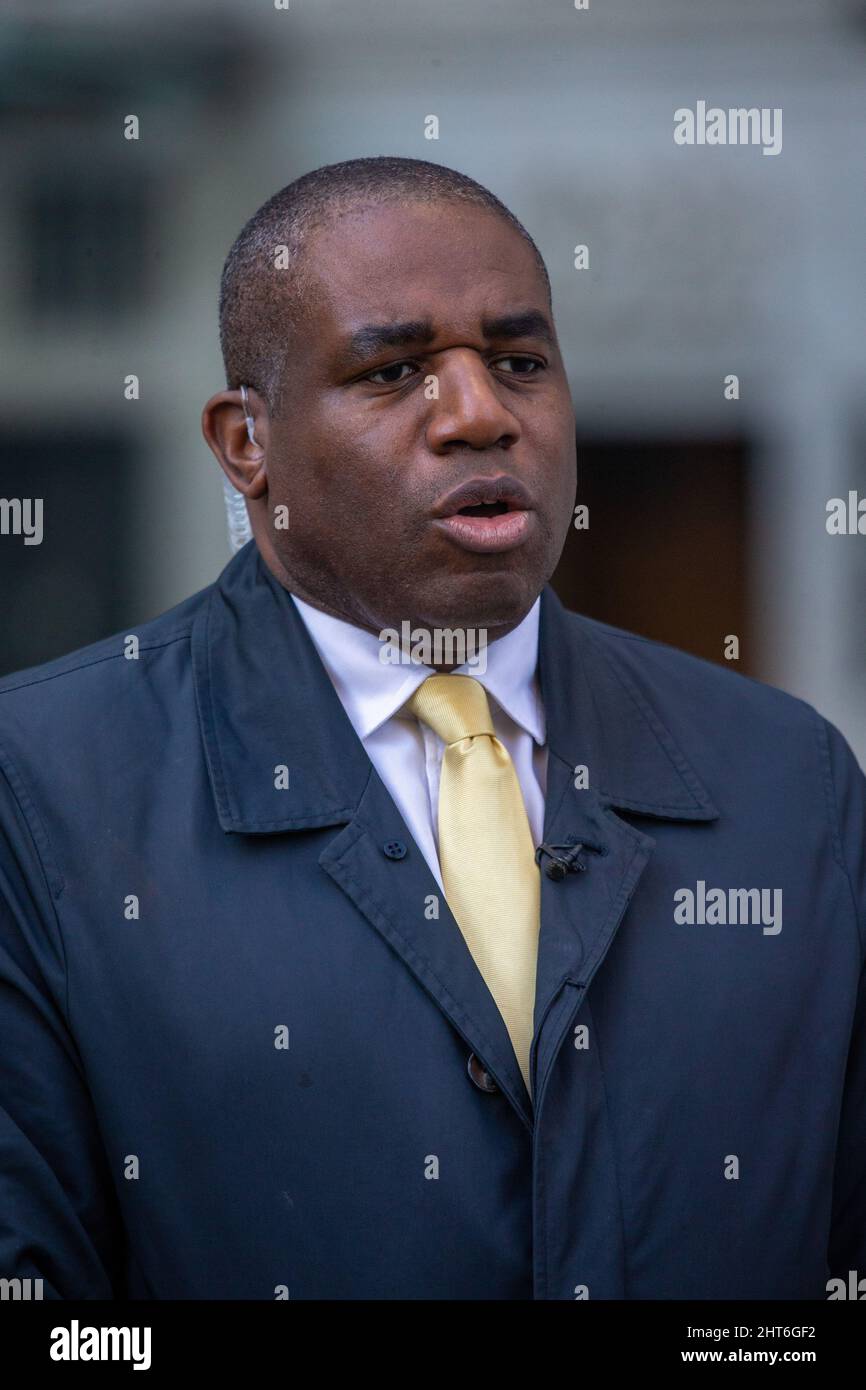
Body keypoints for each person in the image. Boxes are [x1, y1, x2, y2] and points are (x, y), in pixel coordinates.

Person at [0, 157, 863, 1300]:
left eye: (517, 362)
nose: (479, 415)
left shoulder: (781, 777)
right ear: (243, 444)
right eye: (393, 369)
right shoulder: (47, 788)